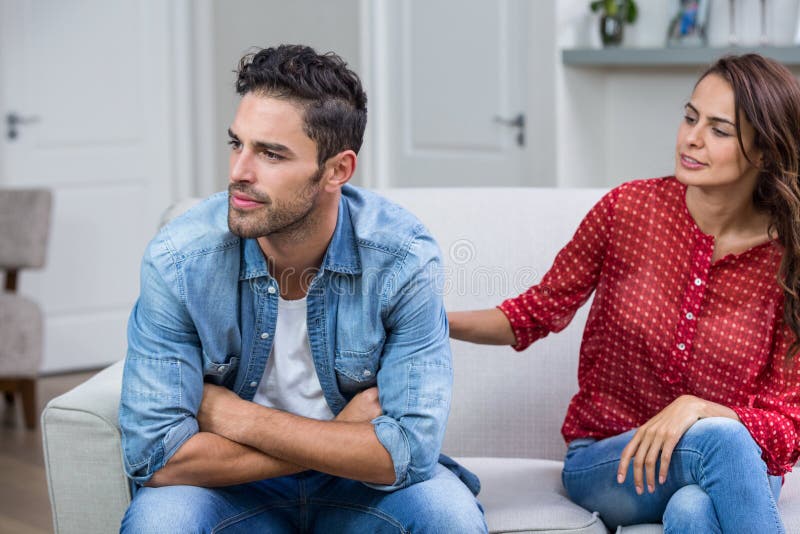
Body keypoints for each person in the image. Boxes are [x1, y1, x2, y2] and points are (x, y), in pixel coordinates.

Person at [119, 44, 487, 533]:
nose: (238, 173)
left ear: (337, 170)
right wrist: (340, 438)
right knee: (159, 523)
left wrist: (240, 419)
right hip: (226, 489)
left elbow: (409, 455)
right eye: (237, 144)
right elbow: (154, 457)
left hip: (360, 487)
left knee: (449, 517)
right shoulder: (179, 261)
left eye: (270, 154)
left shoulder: (402, 258)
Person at [448, 53, 800, 532]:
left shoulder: (789, 260)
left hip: (732, 462)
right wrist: (434, 319)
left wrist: (697, 409)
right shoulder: (628, 211)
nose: (691, 138)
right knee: (722, 440)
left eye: (719, 129)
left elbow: (786, 426)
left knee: (693, 509)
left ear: (763, 152)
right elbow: (534, 313)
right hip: (611, 461)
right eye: (690, 117)